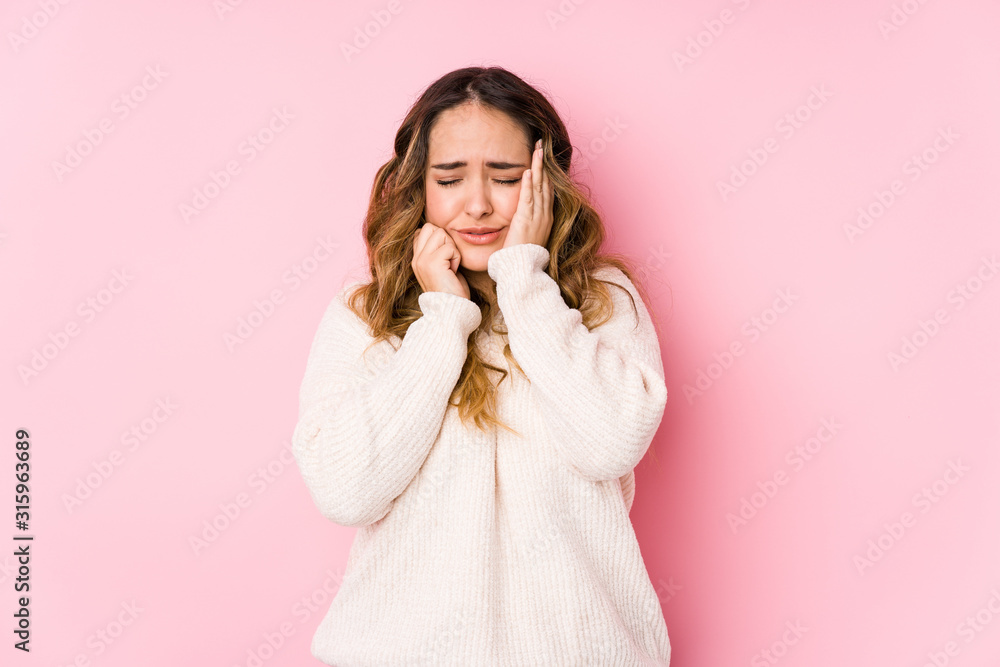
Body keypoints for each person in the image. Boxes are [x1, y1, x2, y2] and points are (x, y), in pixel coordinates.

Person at [291, 65, 672, 666]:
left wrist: (525, 280)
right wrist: (442, 318)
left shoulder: (602, 301)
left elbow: (609, 444)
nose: (478, 204)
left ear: (545, 185)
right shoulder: (366, 315)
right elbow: (346, 490)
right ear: (420, 188)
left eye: (505, 178)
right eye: (450, 179)